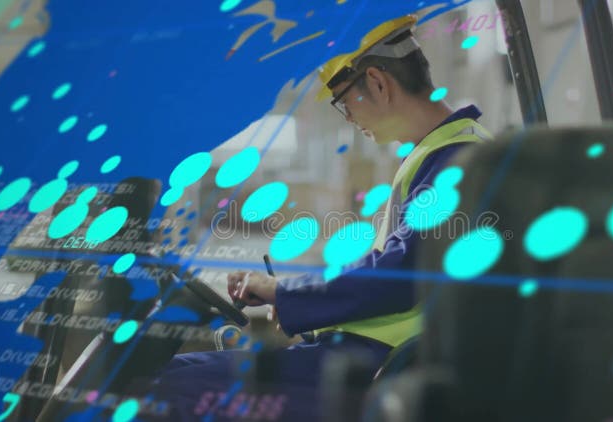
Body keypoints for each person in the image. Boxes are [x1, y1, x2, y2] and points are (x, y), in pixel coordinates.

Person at [139, 15, 494, 421]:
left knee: (172, 383)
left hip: (381, 371)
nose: (349, 118)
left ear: (378, 83)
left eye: (343, 101)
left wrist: (287, 295)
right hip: (379, 357)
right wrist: (296, 301)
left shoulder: (455, 159)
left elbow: (403, 270)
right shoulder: (447, 152)